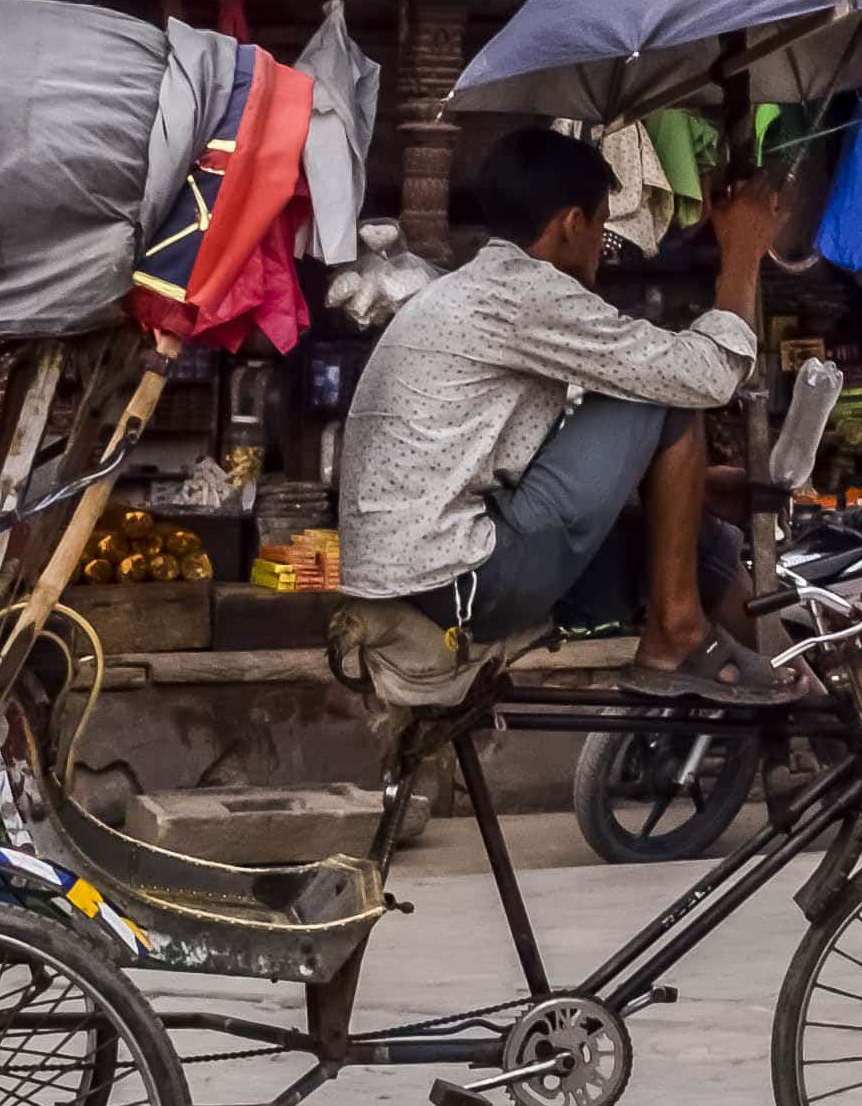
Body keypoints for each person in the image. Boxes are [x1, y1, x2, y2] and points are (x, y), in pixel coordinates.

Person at [330, 128, 791, 714]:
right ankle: (677, 629)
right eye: (601, 225)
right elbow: (701, 376)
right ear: (573, 223)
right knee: (661, 391)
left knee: (701, 544)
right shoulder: (526, 291)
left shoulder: (474, 287)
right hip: (462, 577)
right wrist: (745, 252)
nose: (601, 244)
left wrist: (689, 489)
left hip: (430, 571)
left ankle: (785, 691)